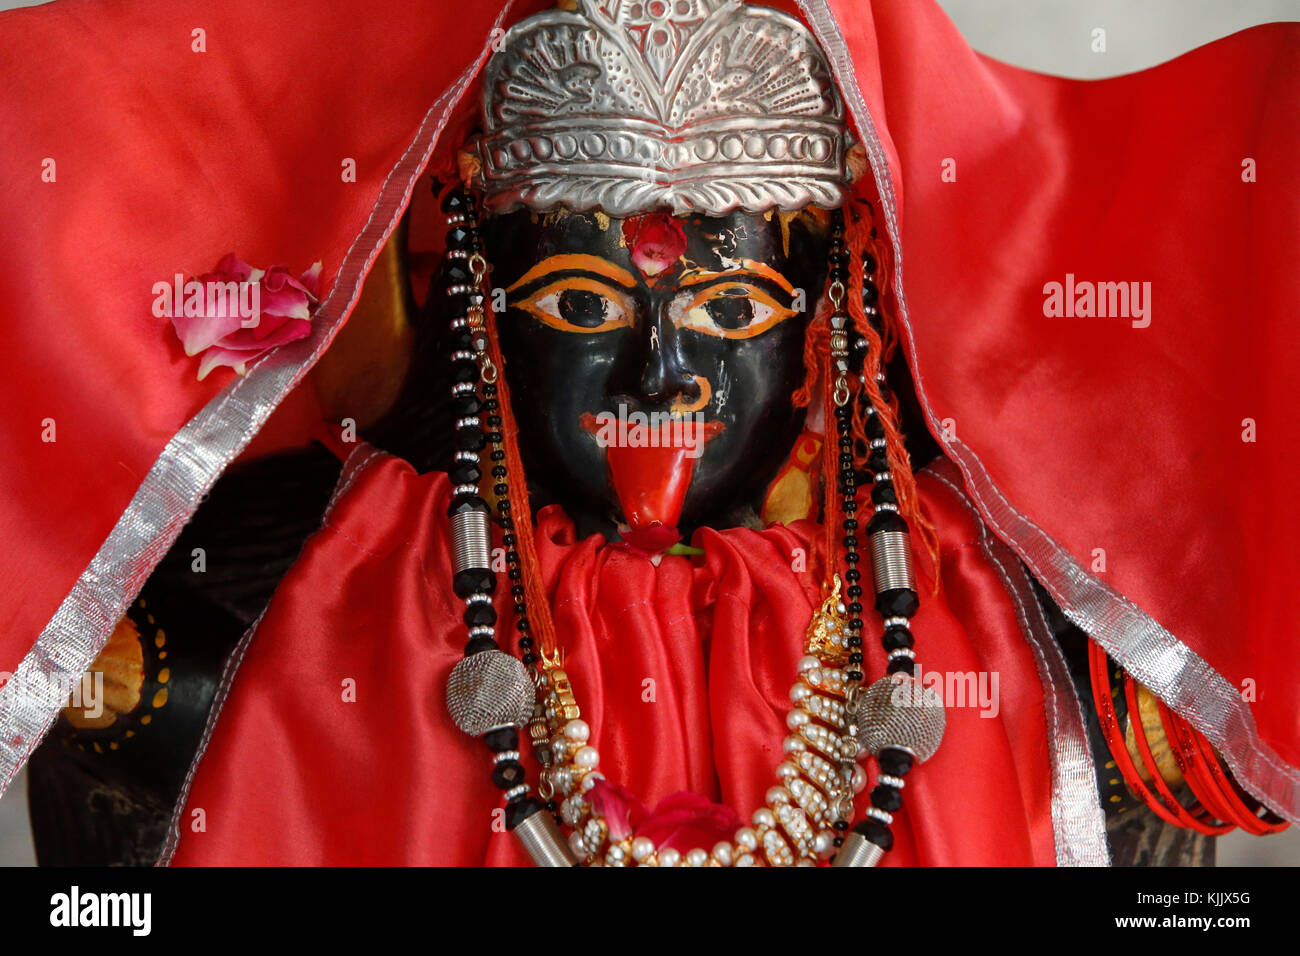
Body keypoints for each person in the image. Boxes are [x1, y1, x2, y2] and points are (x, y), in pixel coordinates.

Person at [2, 0, 1295, 866]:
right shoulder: (221, 623)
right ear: (477, 308)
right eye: (582, 301)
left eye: (733, 307)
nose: (662, 374)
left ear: (830, 326)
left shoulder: (1054, 650)